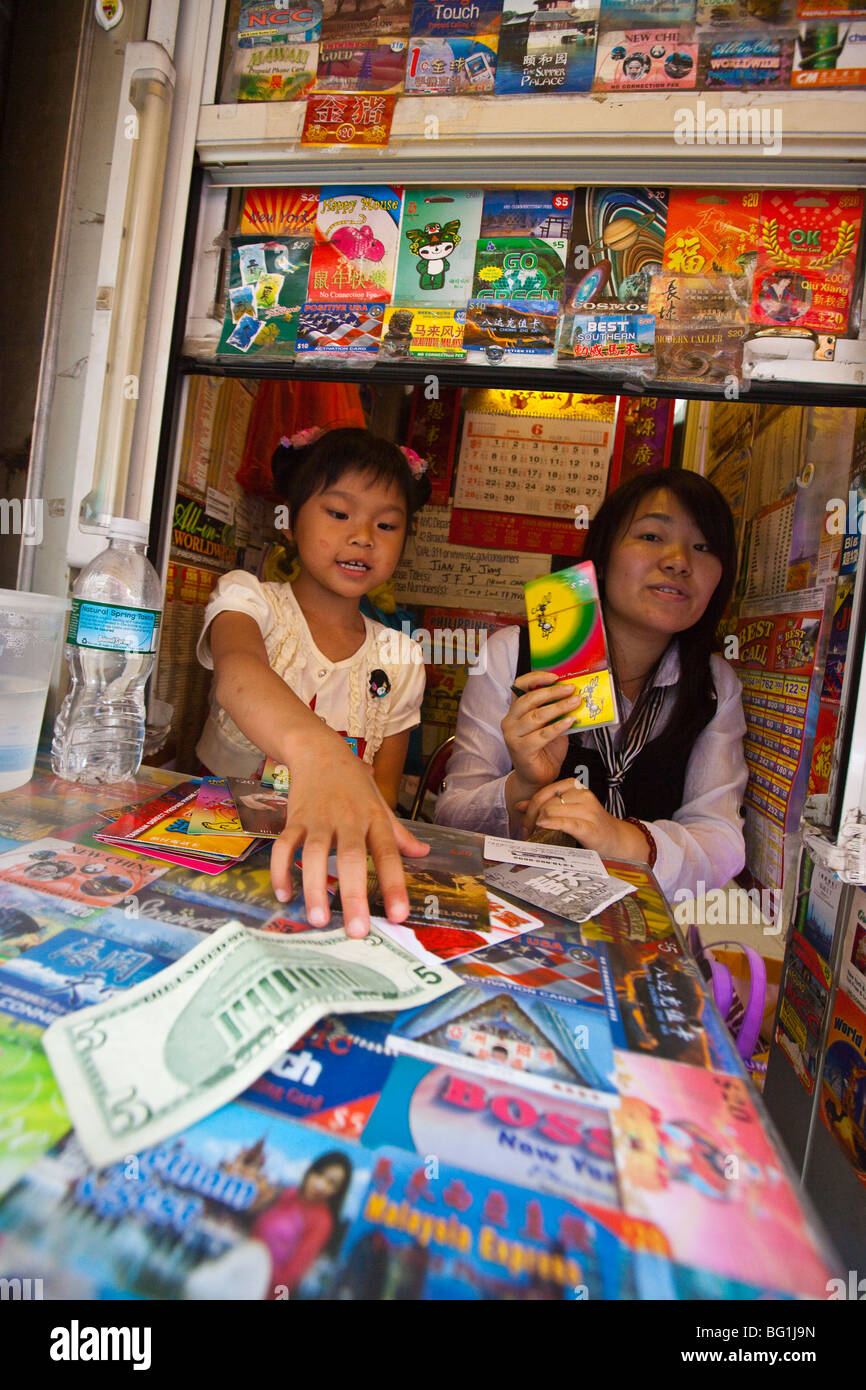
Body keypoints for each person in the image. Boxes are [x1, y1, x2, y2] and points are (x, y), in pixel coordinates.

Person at [435, 470, 748, 902]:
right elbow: (449, 819)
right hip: (511, 912)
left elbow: (724, 841)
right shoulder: (512, 656)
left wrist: (623, 839)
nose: (678, 560)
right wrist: (522, 784)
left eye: (703, 546)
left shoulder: (714, 686)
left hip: (641, 928)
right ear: (601, 557)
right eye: (652, 536)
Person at [196, 426, 432, 937]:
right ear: (289, 521)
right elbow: (238, 674)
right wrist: (320, 751)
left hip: (325, 866)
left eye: (387, 524)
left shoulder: (400, 656)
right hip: (216, 847)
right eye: (339, 513)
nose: (363, 536)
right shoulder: (249, 601)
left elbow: (383, 791)